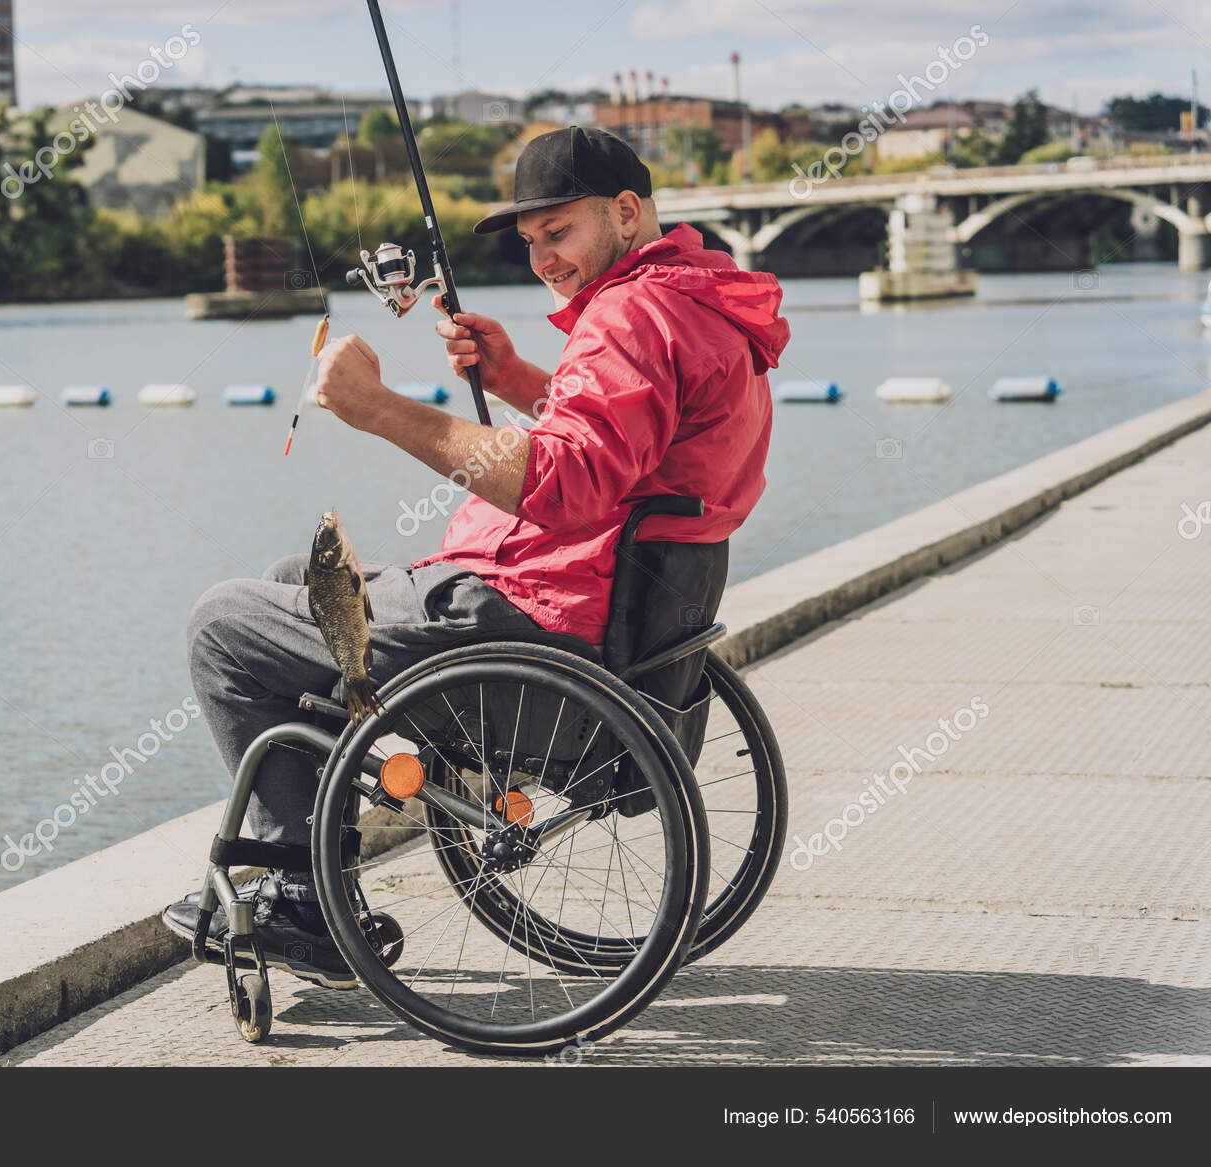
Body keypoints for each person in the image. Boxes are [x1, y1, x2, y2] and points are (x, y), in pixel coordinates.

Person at [163, 125, 789, 988]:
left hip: (528, 635)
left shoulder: (629, 315)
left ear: (627, 210)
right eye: (532, 244)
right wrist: (518, 378)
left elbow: (567, 482)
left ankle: (303, 898)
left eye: (558, 233)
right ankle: (305, 864)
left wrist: (379, 409)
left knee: (225, 625)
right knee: (289, 583)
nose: (545, 261)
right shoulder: (697, 303)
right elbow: (638, 450)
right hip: (611, 637)